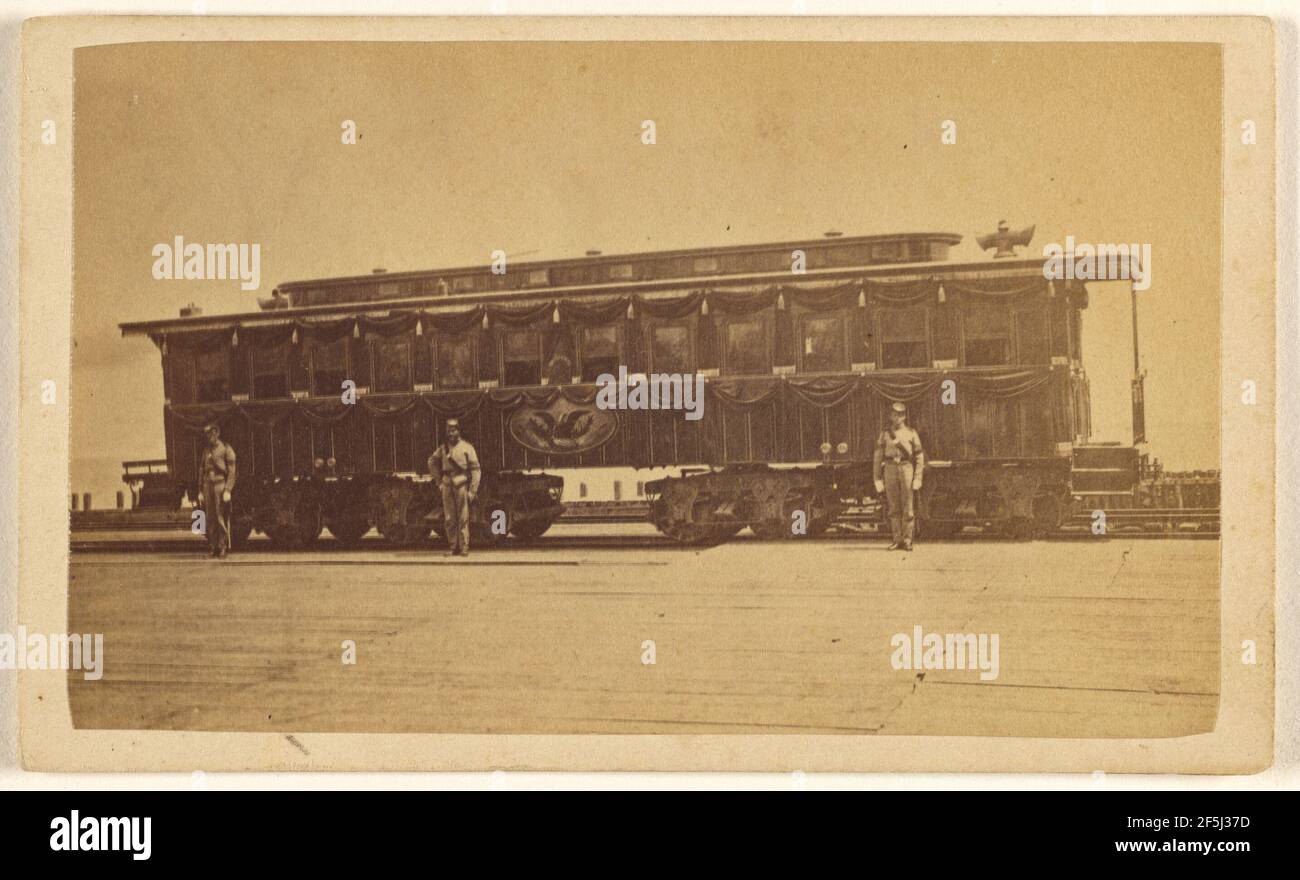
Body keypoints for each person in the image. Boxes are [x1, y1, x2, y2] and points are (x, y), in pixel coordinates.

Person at [873, 401, 925, 551]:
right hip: (889, 469)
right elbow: (878, 457)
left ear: (903, 417)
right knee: (893, 508)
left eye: (898, 415)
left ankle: (908, 540)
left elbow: (919, 456)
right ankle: (897, 539)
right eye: (893, 415)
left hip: (906, 468)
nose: (894, 418)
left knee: (908, 508)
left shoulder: (911, 433)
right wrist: (877, 478)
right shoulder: (885, 434)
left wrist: (918, 477)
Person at [428, 418, 481, 556]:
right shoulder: (443, 448)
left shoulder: (467, 448)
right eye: (448, 431)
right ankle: (454, 547)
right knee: (449, 518)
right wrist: (439, 481)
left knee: (463, 517)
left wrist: (472, 490)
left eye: (453, 430)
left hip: (461, 484)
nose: (451, 433)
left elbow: (476, 470)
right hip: (446, 484)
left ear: (458, 431)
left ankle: (464, 548)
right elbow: (432, 461)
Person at [198, 422, 238, 558]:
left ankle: (222, 547)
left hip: (220, 485)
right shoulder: (206, 450)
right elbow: (202, 470)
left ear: (217, 433)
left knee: (220, 517)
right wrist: (200, 490)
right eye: (208, 434)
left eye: (212, 433)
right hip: (207, 486)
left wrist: (228, 489)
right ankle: (213, 547)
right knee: (210, 518)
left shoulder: (226, 449)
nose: (210, 436)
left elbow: (232, 472)